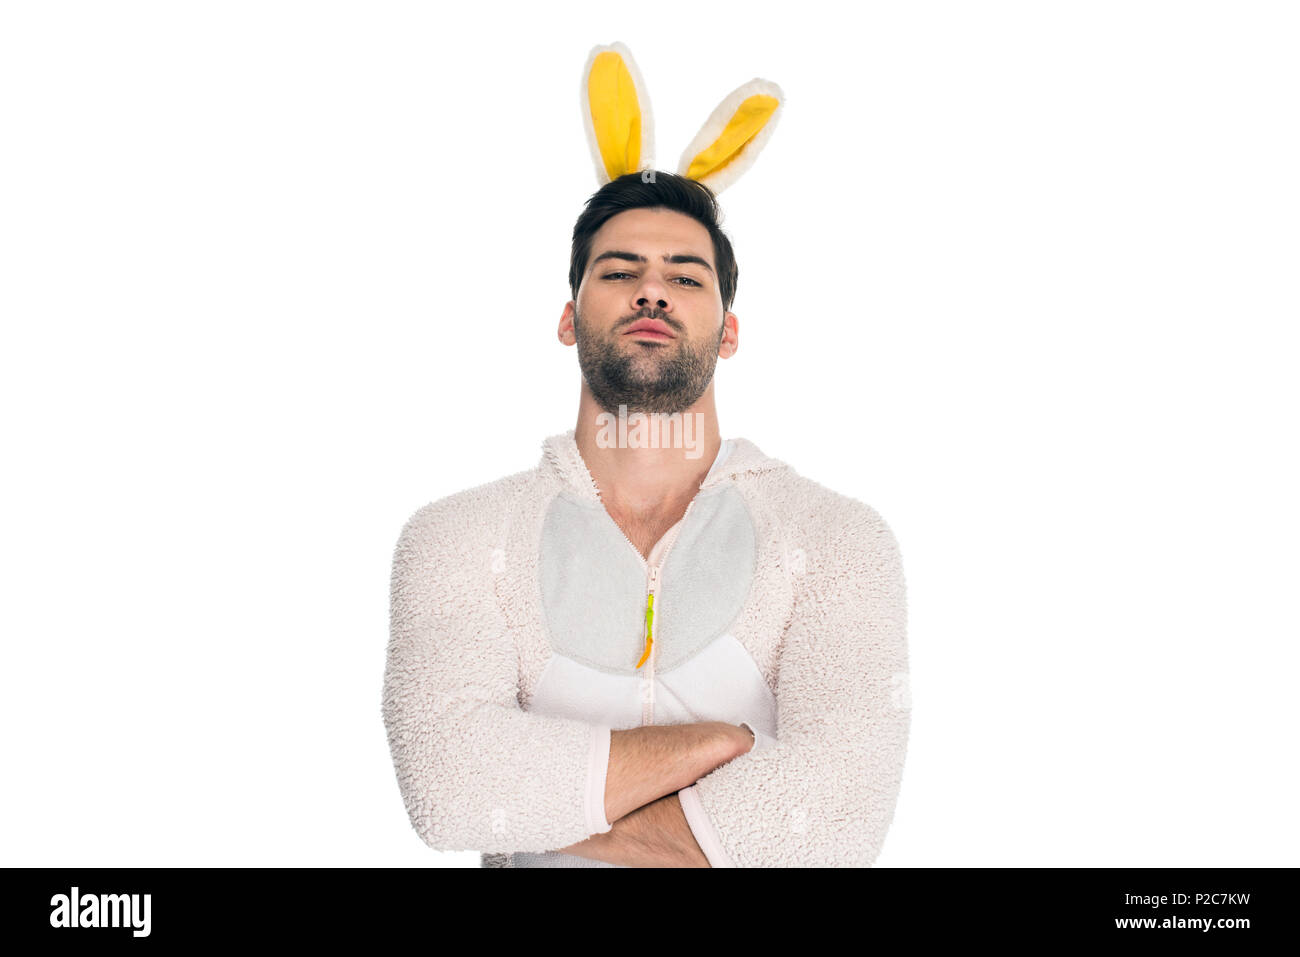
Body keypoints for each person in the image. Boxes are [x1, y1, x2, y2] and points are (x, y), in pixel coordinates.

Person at [381, 43, 910, 868]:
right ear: (569, 317)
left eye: (686, 278)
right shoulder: (455, 538)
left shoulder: (838, 542)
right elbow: (452, 790)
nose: (651, 290)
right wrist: (719, 747)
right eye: (620, 270)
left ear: (728, 331)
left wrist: (547, 806)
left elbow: (833, 821)